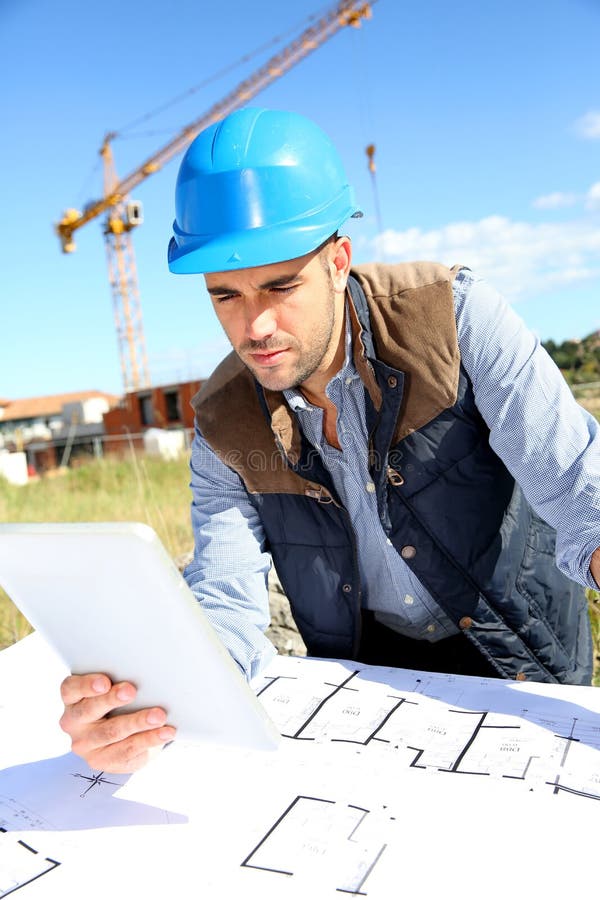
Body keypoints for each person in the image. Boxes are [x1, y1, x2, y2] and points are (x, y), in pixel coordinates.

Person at [60, 107, 600, 773]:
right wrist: (148, 709)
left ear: (338, 261)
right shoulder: (223, 422)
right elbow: (225, 601)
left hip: (520, 654)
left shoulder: (454, 321)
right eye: (225, 295)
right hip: (370, 677)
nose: (255, 326)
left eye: (281, 286)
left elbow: (581, 491)